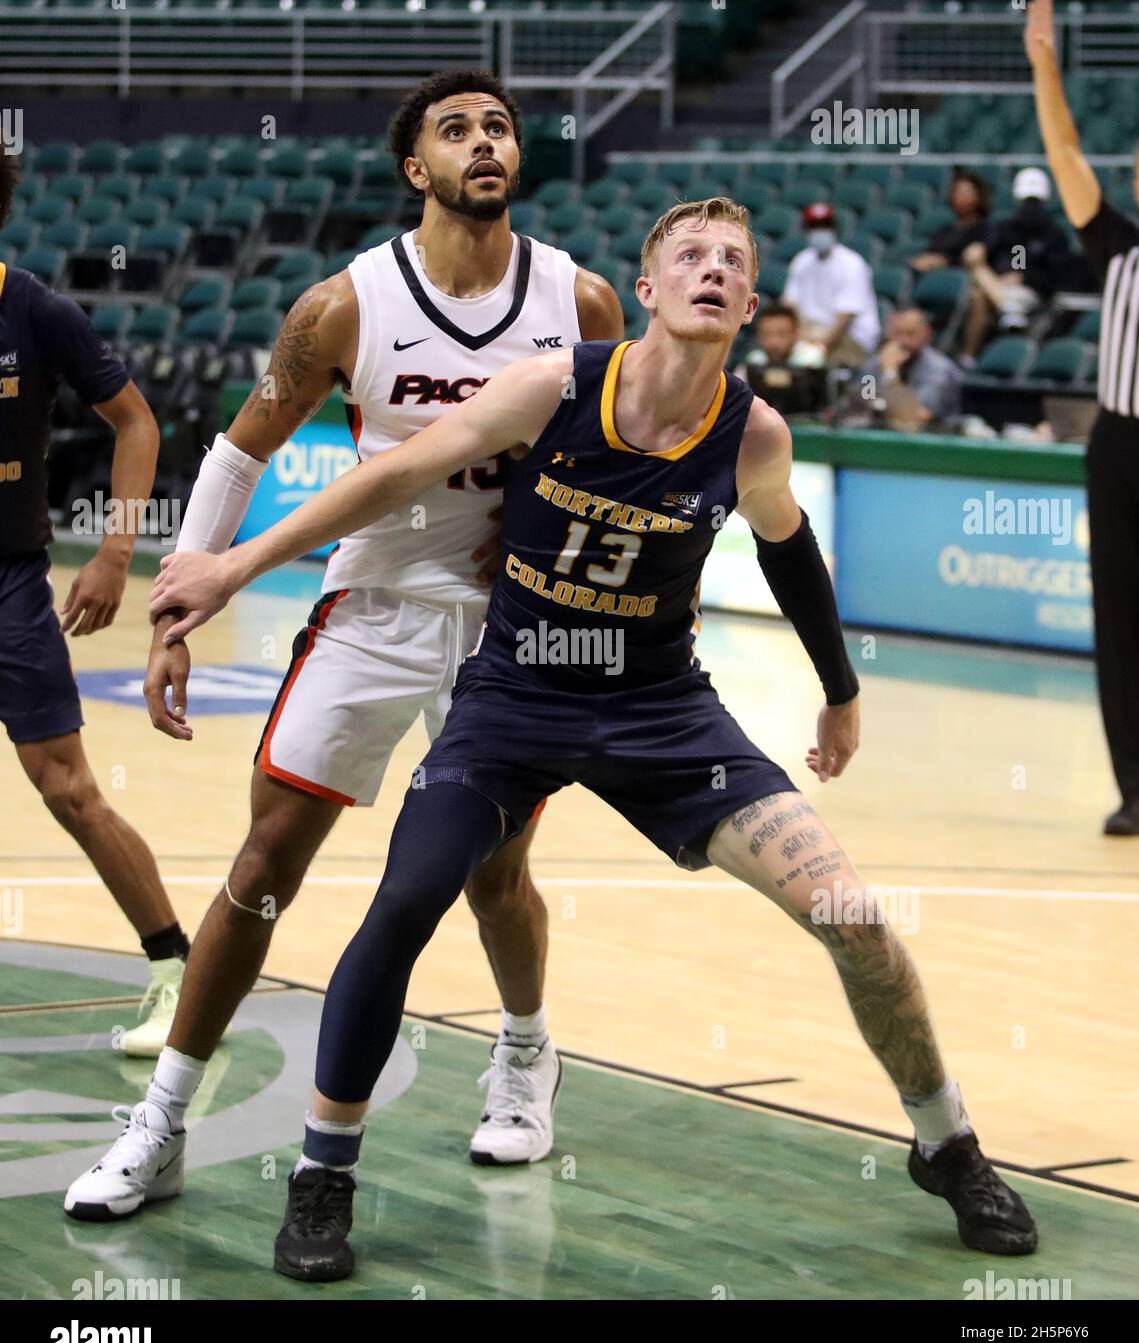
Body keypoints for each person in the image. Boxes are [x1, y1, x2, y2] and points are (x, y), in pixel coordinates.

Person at [139, 196, 1037, 1280]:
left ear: (751, 304)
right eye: (688, 256)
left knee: (849, 912)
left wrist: (838, 689)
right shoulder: (555, 383)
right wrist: (233, 563)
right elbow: (390, 475)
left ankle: (945, 1141)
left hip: (661, 710)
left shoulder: (752, 430)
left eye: (732, 262)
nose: (711, 270)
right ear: (646, 291)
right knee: (406, 899)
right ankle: (323, 1171)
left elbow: (786, 545)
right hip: (515, 696)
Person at [63, 69, 624, 1221]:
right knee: (267, 858)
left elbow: (611, 463)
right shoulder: (343, 307)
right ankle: (163, 1117)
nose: (485, 143)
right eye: (456, 129)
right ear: (415, 168)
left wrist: (551, 542)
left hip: (508, 626)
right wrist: (178, 611)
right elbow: (237, 451)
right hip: (375, 598)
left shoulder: (582, 301)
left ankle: (526, 1051)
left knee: (493, 870)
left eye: (500, 128)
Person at [0, 152, 189, 1049]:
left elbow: (137, 422)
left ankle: (172, 971)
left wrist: (117, 552)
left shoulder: (37, 312)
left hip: (8, 585)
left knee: (70, 790)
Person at [1025, 0, 1139, 834]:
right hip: (1119, 443)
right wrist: (1042, 62)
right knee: (1119, 619)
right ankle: (1134, 788)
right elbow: (1063, 151)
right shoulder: (1117, 246)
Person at [960, 166, 1076, 360]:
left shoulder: (1053, 235)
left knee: (979, 294)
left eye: (1034, 202)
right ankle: (971, 356)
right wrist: (983, 250)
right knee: (977, 288)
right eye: (1026, 202)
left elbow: (1055, 276)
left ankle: (973, 354)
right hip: (1002, 288)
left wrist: (1024, 276)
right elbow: (1017, 256)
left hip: (1034, 293)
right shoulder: (1011, 230)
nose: (1030, 208)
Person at [782, 203, 879, 368]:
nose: (819, 231)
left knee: (809, 365)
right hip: (809, 332)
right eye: (814, 226)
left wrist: (820, 347)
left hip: (849, 338)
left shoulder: (851, 263)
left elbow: (845, 317)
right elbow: (789, 305)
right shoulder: (801, 261)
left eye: (824, 226)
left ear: (834, 228)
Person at [856, 307, 963, 433]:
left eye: (910, 334)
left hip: (932, 443)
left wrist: (890, 373)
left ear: (927, 334)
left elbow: (914, 416)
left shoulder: (940, 370)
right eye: (897, 334)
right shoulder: (875, 364)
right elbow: (861, 407)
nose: (902, 342)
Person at [735, 301, 826, 417]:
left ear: (795, 334)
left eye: (781, 334)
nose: (774, 342)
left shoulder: (812, 359)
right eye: (766, 334)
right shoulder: (753, 360)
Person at [909, 169, 992, 277]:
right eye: (957, 192)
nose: (960, 197)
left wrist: (944, 262)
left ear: (978, 196)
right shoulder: (946, 230)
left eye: (966, 192)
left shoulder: (986, 230)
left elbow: (976, 259)